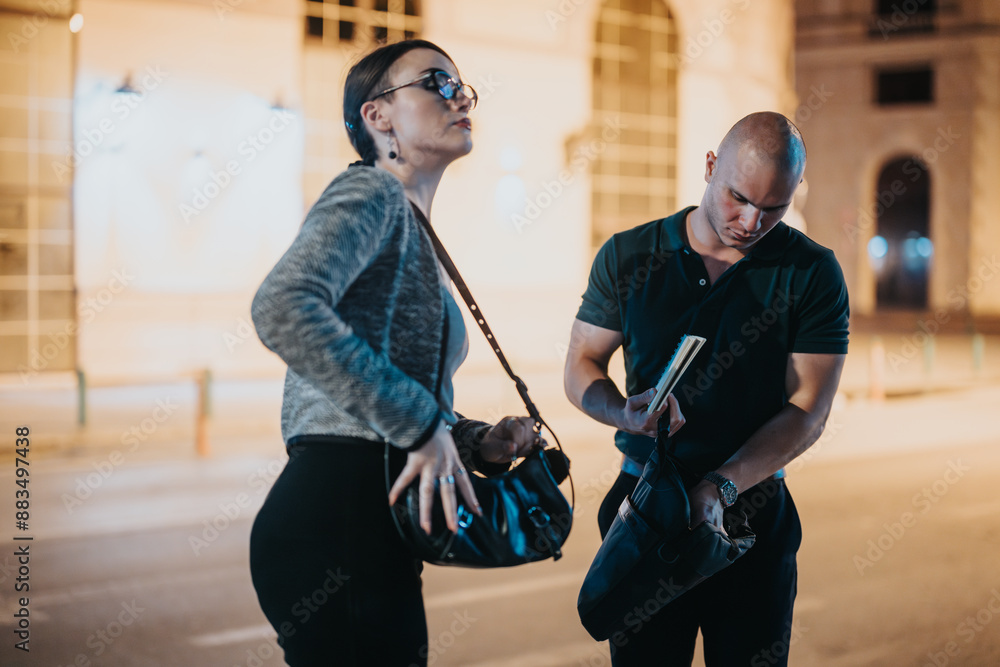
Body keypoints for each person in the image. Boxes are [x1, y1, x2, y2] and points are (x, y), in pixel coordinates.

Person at [249, 39, 540, 666]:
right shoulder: (372, 195)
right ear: (377, 117)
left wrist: (474, 441)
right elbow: (281, 305)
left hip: (369, 518)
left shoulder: (412, 224)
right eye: (436, 82)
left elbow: (400, 396)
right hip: (338, 512)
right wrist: (419, 423)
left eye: (463, 86)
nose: (459, 95)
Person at [564, 111, 848, 666]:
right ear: (711, 167)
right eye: (738, 198)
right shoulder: (629, 254)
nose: (750, 221)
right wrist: (623, 412)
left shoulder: (811, 271)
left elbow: (809, 408)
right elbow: (582, 364)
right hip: (644, 507)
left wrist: (721, 486)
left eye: (773, 208)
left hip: (752, 511)